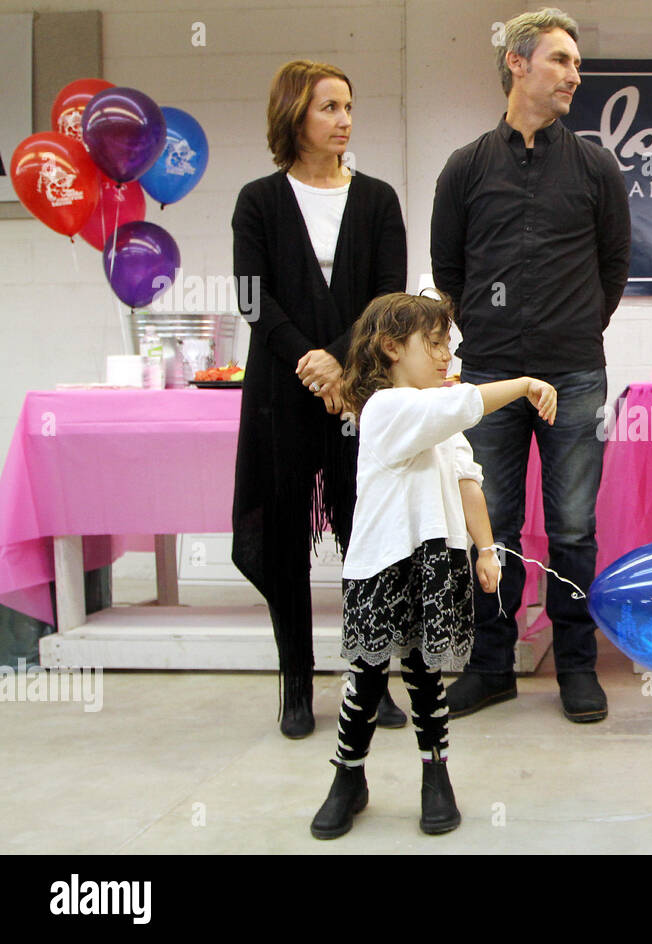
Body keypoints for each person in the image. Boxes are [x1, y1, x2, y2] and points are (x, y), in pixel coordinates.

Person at [430, 7, 630, 723]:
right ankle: (493, 665)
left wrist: (570, 330)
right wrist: (492, 335)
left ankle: (577, 667)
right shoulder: (464, 168)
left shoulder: (597, 166)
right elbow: (447, 269)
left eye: (576, 63)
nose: (575, 75)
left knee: (573, 527)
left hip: (575, 373)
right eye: (561, 61)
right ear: (517, 63)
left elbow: (614, 269)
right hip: (487, 378)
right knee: (495, 527)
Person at [309, 293, 557, 839]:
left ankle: (435, 774)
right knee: (367, 677)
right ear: (392, 348)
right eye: (435, 344)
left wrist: (487, 548)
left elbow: (468, 479)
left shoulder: (438, 413)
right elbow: (457, 406)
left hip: (435, 559)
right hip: (381, 564)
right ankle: (348, 777)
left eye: (449, 345)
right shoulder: (387, 408)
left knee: (426, 676)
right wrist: (523, 384)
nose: (447, 356)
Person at [232, 60, 409, 739]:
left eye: (348, 106)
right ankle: (297, 687)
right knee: (281, 543)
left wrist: (339, 360)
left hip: (361, 395)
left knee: (366, 537)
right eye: (329, 107)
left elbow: (388, 298)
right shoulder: (258, 200)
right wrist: (310, 362)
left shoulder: (379, 199)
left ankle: (374, 681)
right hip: (281, 394)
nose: (344, 119)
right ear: (294, 116)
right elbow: (254, 297)